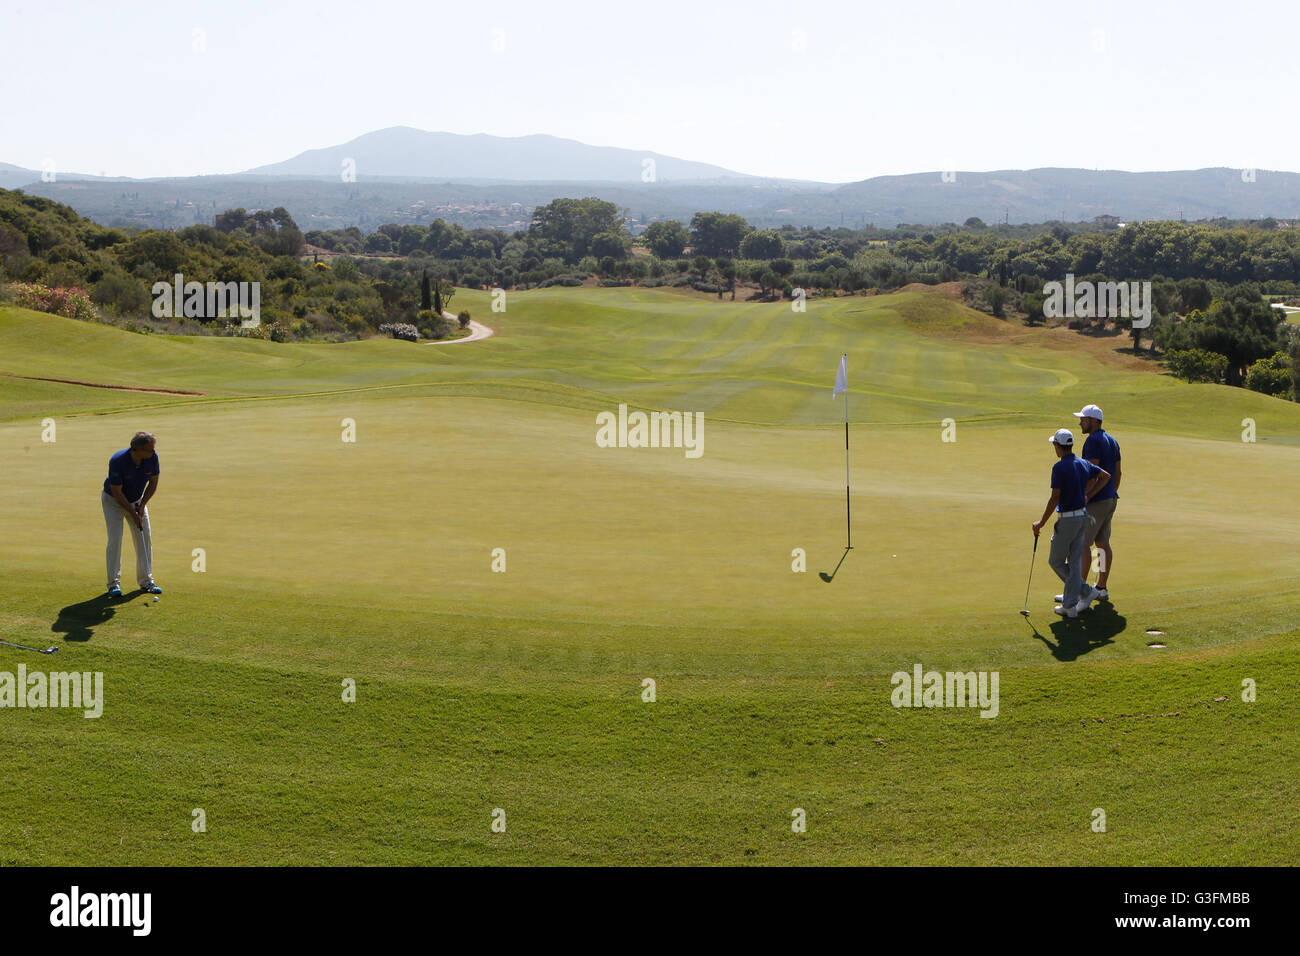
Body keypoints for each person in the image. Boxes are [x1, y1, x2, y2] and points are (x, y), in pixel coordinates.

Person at [1031, 429, 1110, 618]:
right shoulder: (1082, 463)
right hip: (1083, 517)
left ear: (1059, 446)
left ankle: (1083, 593)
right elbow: (1105, 476)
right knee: (1074, 563)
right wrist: (1088, 493)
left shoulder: (1059, 467)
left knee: (1056, 560)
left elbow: (1055, 497)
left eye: (1054, 445)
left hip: (1068, 520)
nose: (1054, 448)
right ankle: (1070, 605)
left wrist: (1041, 522)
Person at [102, 431, 162, 598]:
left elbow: (154, 482)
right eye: (150, 450)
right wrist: (132, 512)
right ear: (137, 449)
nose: (153, 452)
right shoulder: (118, 461)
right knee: (115, 539)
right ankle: (113, 584)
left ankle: (146, 581)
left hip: (137, 500)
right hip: (113, 501)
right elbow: (116, 491)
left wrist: (142, 506)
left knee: (144, 538)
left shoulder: (152, 457)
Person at [1074, 404, 1121, 600]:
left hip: (1096, 500)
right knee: (1102, 543)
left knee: (1082, 543)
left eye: (1083, 419)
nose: (1080, 422)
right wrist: (1111, 492)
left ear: (1093, 421)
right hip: (1110, 499)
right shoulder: (1112, 440)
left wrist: (1086, 496)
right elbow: (1117, 473)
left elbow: (1091, 474)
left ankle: (1080, 591)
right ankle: (1101, 587)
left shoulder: (1092, 441)